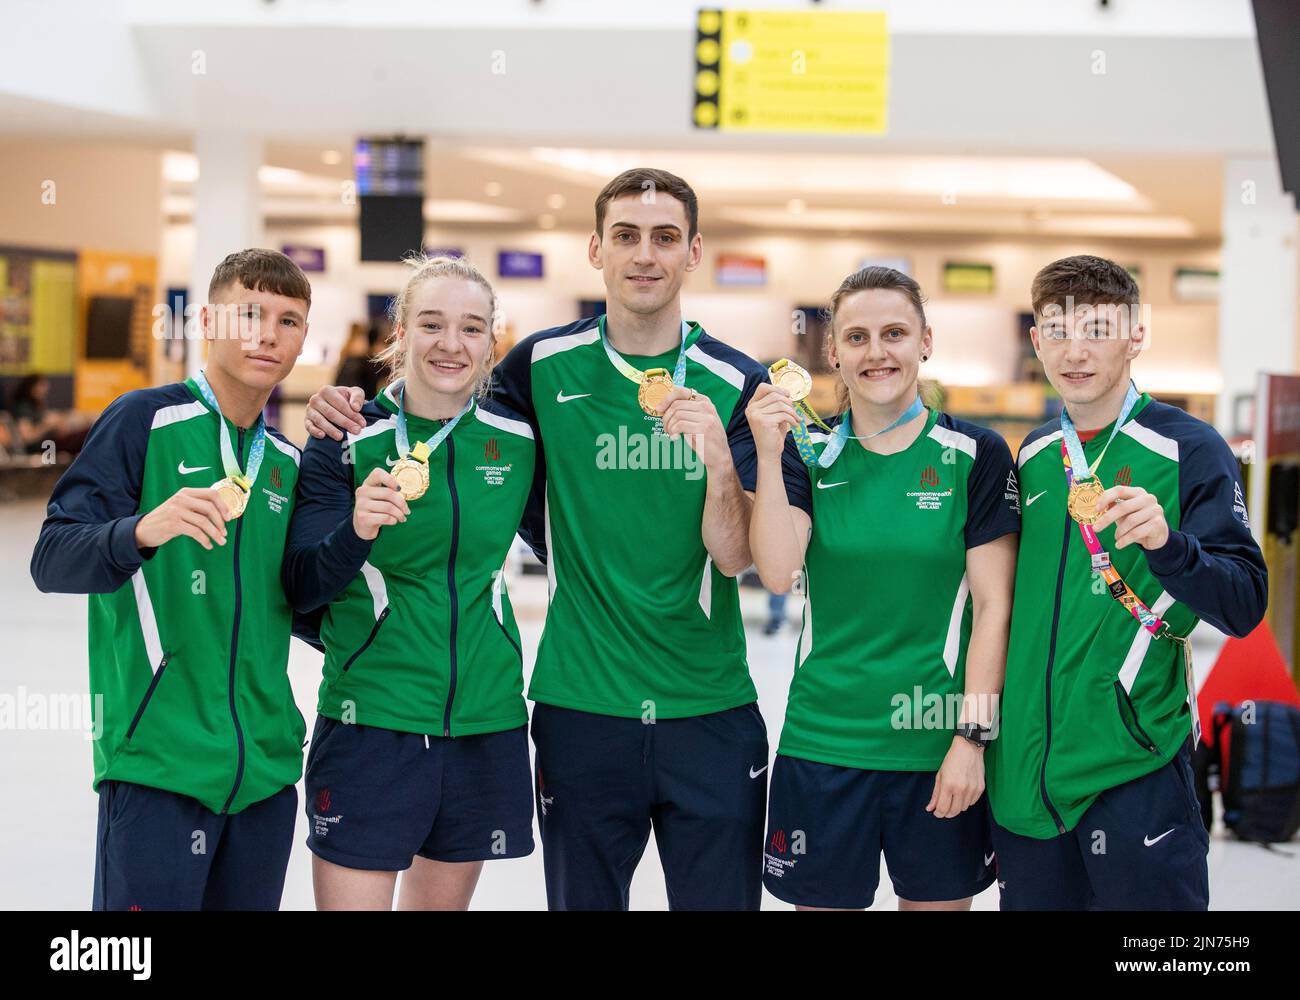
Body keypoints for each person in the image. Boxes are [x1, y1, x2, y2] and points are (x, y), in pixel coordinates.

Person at [304, 168, 811, 910]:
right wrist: (347, 401)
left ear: (694, 251)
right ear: (595, 249)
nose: (645, 254)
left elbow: (744, 559)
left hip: (709, 710)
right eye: (626, 236)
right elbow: (446, 399)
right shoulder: (538, 366)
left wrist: (714, 462)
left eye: (665, 237)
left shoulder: (735, 383)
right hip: (580, 709)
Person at [30, 248, 312, 910]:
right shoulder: (144, 420)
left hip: (265, 776)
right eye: (249, 314)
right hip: (159, 765)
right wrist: (141, 531)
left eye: (289, 320)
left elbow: (300, 602)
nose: (268, 334)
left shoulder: (288, 464)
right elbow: (52, 558)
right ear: (209, 322)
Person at [985, 254, 1269, 910]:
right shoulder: (1031, 454)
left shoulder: (1189, 449)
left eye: (1097, 329)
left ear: (1136, 335)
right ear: (1035, 341)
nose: (1074, 349)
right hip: (1028, 777)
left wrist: (1170, 546)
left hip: (1134, 766)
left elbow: (1244, 604)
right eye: (1056, 329)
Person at [747, 266, 1019, 910]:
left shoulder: (975, 454)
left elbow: (994, 607)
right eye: (858, 337)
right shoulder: (807, 455)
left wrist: (971, 741)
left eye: (895, 333)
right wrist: (765, 450)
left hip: (937, 747)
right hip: (824, 742)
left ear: (925, 341)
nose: (878, 352)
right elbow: (779, 571)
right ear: (833, 352)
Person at [282, 255, 536, 910]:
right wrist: (356, 530)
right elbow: (300, 584)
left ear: (490, 341)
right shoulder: (345, 436)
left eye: (472, 328)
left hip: (485, 722)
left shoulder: (518, 441)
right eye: (432, 323)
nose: (452, 343)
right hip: (373, 725)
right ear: (400, 331)